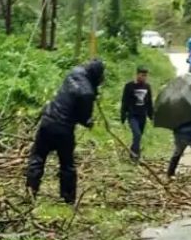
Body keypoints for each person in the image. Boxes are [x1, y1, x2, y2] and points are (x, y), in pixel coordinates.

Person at [26, 59, 105, 205]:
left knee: (37, 158)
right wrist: (90, 122)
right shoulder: (87, 93)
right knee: (67, 165)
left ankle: (30, 192)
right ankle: (67, 198)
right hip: (64, 129)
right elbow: (84, 117)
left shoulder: (73, 73)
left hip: (47, 122)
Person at [120, 66, 155, 160]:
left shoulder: (147, 87)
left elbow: (149, 103)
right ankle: (136, 157)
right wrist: (123, 115)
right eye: (142, 75)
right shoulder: (129, 86)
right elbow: (124, 101)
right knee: (137, 134)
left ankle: (133, 153)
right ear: (137, 75)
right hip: (132, 115)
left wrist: (151, 116)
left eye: (146, 76)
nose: (144, 77)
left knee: (138, 137)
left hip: (142, 116)